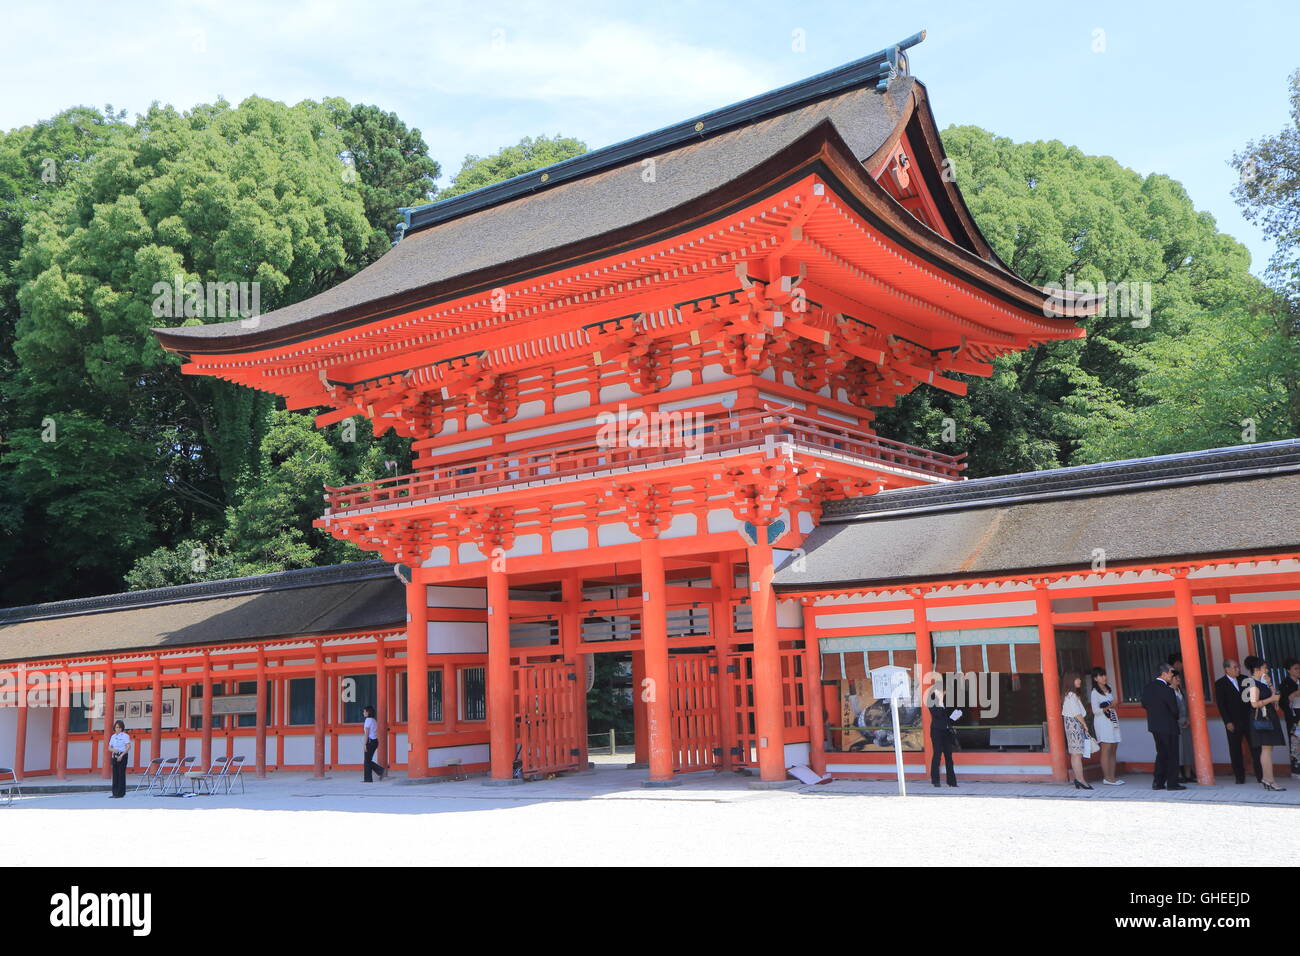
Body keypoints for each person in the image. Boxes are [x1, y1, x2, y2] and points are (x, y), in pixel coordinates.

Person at [1214, 659, 1262, 784]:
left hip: (1249, 719)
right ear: (1227, 669)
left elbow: (1253, 698)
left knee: (1256, 748)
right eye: (1235, 667)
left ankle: (1261, 775)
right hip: (1233, 721)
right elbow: (1221, 705)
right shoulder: (1220, 683)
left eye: (1238, 667)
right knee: (1235, 749)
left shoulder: (1245, 679)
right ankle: (1239, 777)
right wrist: (1227, 722)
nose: (1238, 669)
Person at [1243, 656, 1286, 791]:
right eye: (1264, 668)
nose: (1266, 670)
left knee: (1268, 749)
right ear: (1257, 669)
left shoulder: (1262, 682)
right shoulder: (1253, 684)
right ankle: (1269, 779)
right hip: (1262, 717)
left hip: (1268, 715)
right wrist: (1272, 698)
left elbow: (1275, 697)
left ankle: (1267, 779)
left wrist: (1270, 684)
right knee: (1266, 749)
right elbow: (1254, 703)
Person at [1140, 662, 1184, 790]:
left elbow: (1144, 704)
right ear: (1164, 674)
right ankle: (1172, 783)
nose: (1172, 675)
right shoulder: (1167, 690)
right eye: (1171, 672)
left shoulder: (1148, 687)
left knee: (1161, 754)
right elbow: (1175, 711)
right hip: (1169, 726)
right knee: (1172, 755)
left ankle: (1158, 782)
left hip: (1154, 726)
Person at [1088, 667, 1123, 785]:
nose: (1104, 677)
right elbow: (1095, 710)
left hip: (1112, 719)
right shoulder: (1094, 692)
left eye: (1104, 675)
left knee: (1113, 747)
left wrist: (1114, 705)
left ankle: (1112, 777)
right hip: (1102, 721)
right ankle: (1107, 777)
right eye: (1100, 676)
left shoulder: (1108, 690)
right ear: (1095, 678)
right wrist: (1109, 706)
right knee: (1106, 748)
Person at [1061, 672, 1094, 790]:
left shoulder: (1070, 695)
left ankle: (1079, 779)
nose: (1079, 680)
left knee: (1076, 754)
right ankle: (1080, 779)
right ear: (1071, 681)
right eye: (1076, 679)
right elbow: (1076, 713)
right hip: (1074, 725)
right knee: (1076, 754)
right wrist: (1085, 724)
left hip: (1072, 724)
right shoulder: (1071, 695)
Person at [927, 682, 959, 788]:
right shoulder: (932, 701)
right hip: (936, 731)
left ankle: (952, 781)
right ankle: (935, 780)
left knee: (949, 756)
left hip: (946, 731)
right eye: (943, 692)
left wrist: (955, 716)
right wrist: (940, 701)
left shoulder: (943, 702)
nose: (944, 694)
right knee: (937, 755)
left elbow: (947, 718)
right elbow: (937, 715)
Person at [1170, 672, 1194, 783]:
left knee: (1188, 749)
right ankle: (1178, 774)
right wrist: (1179, 721)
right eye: (1176, 677)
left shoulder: (1183, 692)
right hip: (1175, 724)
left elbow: (1191, 707)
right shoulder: (1168, 692)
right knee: (1177, 750)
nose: (1178, 679)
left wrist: (1188, 719)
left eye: (1179, 677)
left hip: (1186, 724)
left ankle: (1188, 773)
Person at [1278, 658, 1300, 779]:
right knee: (1295, 745)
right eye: (1295, 668)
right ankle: (1296, 771)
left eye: (1299, 668)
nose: (1298, 671)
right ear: (1288, 670)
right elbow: (1283, 703)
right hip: (1294, 718)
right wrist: (1294, 695)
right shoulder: (1285, 684)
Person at [361, 704, 385, 782]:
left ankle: (379, 771)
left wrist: (365, 744)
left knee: (367, 761)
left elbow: (367, 733)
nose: (363, 713)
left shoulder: (368, 720)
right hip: (375, 741)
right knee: (368, 760)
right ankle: (372, 776)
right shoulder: (374, 720)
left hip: (370, 741)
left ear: (368, 712)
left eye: (364, 711)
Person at [109, 720, 130, 799]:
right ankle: (114, 792)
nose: (117, 729)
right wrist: (113, 750)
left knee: (121, 774)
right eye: (116, 727)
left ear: (122, 728)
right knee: (115, 774)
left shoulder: (125, 736)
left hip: (122, 755)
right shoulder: (113, 736)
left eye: (119, 727)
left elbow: (128, 747)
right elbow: (109, 747)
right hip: (115, 755)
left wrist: (122, 755)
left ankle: (121, 793)